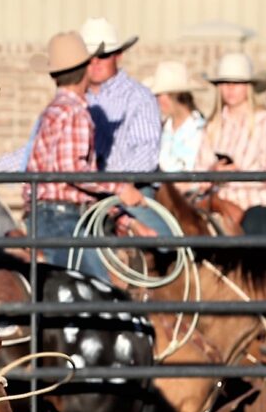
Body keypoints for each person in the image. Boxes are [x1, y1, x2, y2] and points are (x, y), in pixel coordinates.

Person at [22, 32, 116, 281]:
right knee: (100, 290)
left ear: (54, 75)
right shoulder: (75, 112)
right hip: (61, 216)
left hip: (45, 213)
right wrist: (117, 188)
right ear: (87, 69)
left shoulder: (54, 110)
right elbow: (69, 169)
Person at [78, 17, 164, 235]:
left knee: (165, 243)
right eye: (89, 57)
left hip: (131, 189)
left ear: (118, 55)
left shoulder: (138, 97)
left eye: (103, 55)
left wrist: (108, 182)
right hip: (85, 191)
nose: (95, 62)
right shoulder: (75, 99)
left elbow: (147, 153)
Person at [196, 52, 266, 234]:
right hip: (217, 202)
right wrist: (213, 171)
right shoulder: (213, 125)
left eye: (237, 83)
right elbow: (199, 169)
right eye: (224, 83)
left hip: (255, 201)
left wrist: (237, 173)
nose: (230, 88)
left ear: (249, 86)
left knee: (258, 226)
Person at [147, 60, 207, 175]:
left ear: (174, 96)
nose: (157, 100)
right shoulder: (163, 127)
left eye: (160, 95)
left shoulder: (200, 129)